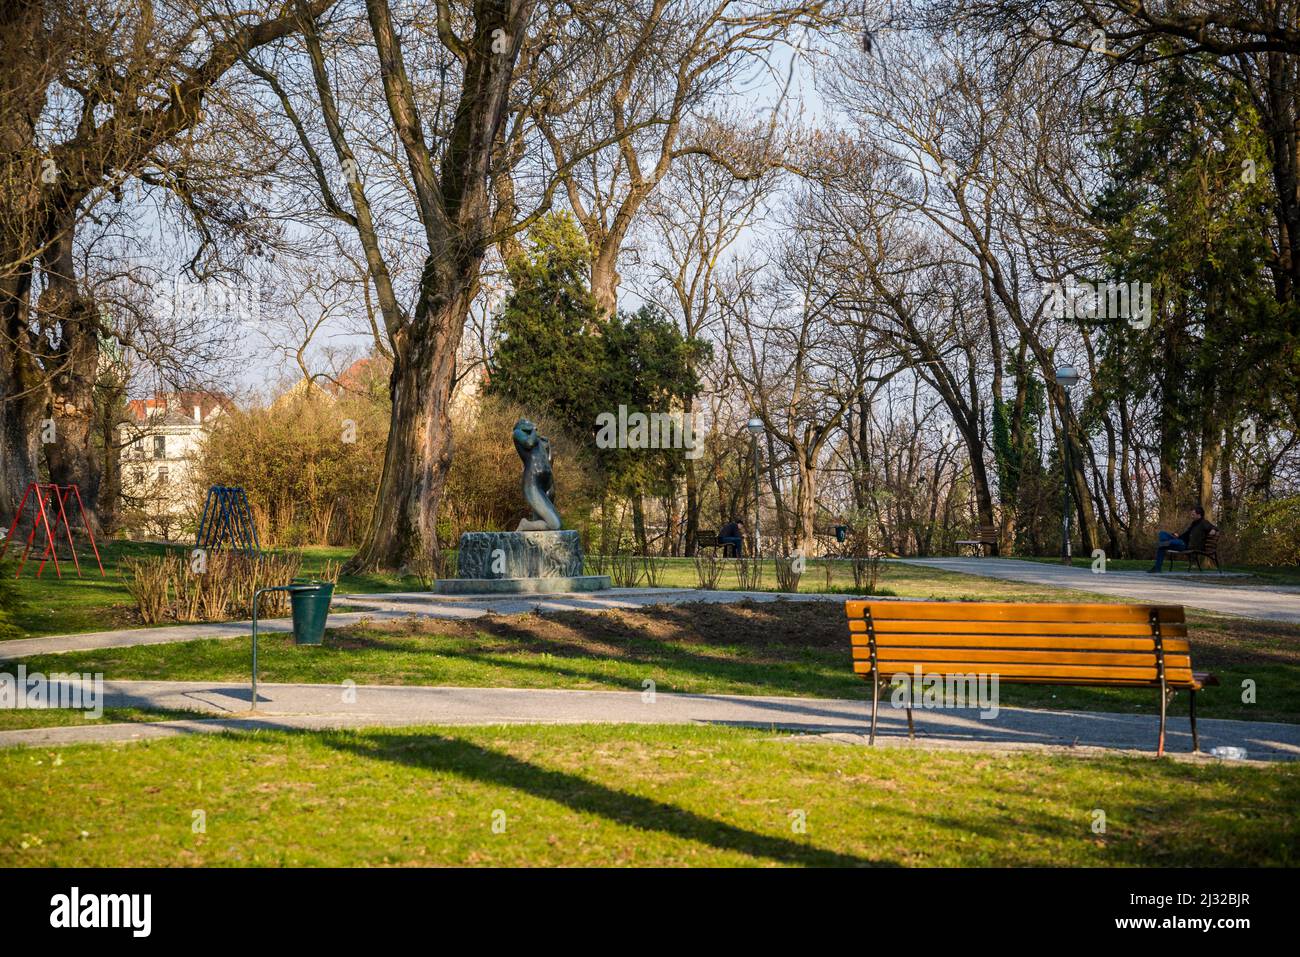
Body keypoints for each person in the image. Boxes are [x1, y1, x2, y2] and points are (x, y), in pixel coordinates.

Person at [1149, 506, 1216, 573]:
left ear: (1199, 515)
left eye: (1193, 514)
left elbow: (1214, 528)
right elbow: (1186, 535)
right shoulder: (1194, 523)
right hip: (1180, 540)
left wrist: (1213, 530)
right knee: (1162, 533)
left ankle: (1157, 566)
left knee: (1163, 546)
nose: (1191, 516)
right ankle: (1164, 543)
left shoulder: (1204, 523)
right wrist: (1178, 535)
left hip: (1185, 545)